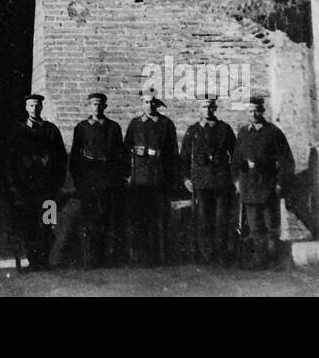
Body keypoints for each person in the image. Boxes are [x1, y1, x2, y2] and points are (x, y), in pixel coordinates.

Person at [4, 93, 68, 272]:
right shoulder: (18, 131)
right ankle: (33, 261)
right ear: (26, 108)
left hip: (48, 189)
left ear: (42, 107)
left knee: (49, 225)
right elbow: (10, 161)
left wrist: (57, 184)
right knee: (29, 226)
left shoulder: (51, 131)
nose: (35, 109)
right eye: (31, 105)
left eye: (38, 105)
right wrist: (14, 188)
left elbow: (61, 159)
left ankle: (45, 260)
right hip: (26, 190)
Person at [231, 95, 295, 268]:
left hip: (267, 186)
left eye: (256, 111)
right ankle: (260, 261)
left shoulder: (273, 132)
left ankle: (274, 260)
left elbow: (287, 161)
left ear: (262, 111)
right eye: (250, 111)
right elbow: (236, 160)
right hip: (249, 186)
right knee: (254, 226)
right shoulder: (243, 132)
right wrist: (237, 180)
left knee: (271, 225)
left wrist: (280, 183)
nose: (253, 114)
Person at [69, 92, 127, 269]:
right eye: (94, 104)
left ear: (105, 107)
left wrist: (120, 177)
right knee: (90, 220)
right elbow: (75, 157)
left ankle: (109, 258)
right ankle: (90, 259)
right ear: (89, 106)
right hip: (89, 180)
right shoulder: (82, 128)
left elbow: (121, 155)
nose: (97, 107)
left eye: (100, 104)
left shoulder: (113, 127)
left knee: (109, 219)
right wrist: (78, 180)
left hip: (109, 180)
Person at [124, 89, 178, 266]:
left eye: (153, 102)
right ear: (142, 103)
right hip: (139, 179)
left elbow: (173, 154)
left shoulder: (166, 124)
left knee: (159, 219)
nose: (150, 105)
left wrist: (170, 178)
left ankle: (160, 257)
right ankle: (140, 258)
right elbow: (126, 150)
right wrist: (128, 175)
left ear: (158, 104)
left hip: (159, 178)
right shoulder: (135, 124)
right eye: (146, 102)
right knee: (140, 218)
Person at [180, 95, 236, 265]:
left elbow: (235, 155)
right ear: (199, 109)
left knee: (221, 219)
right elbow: (183, 157)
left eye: (210, 107)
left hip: (221, 181)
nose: (207, 110)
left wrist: (235, 179)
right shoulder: (193, 130)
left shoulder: (225, 129)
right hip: (201, 182)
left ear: (215, 108)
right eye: (204, 107)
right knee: (204, 219)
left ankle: (222, 255)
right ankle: (206, 256)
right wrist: (186, 179)